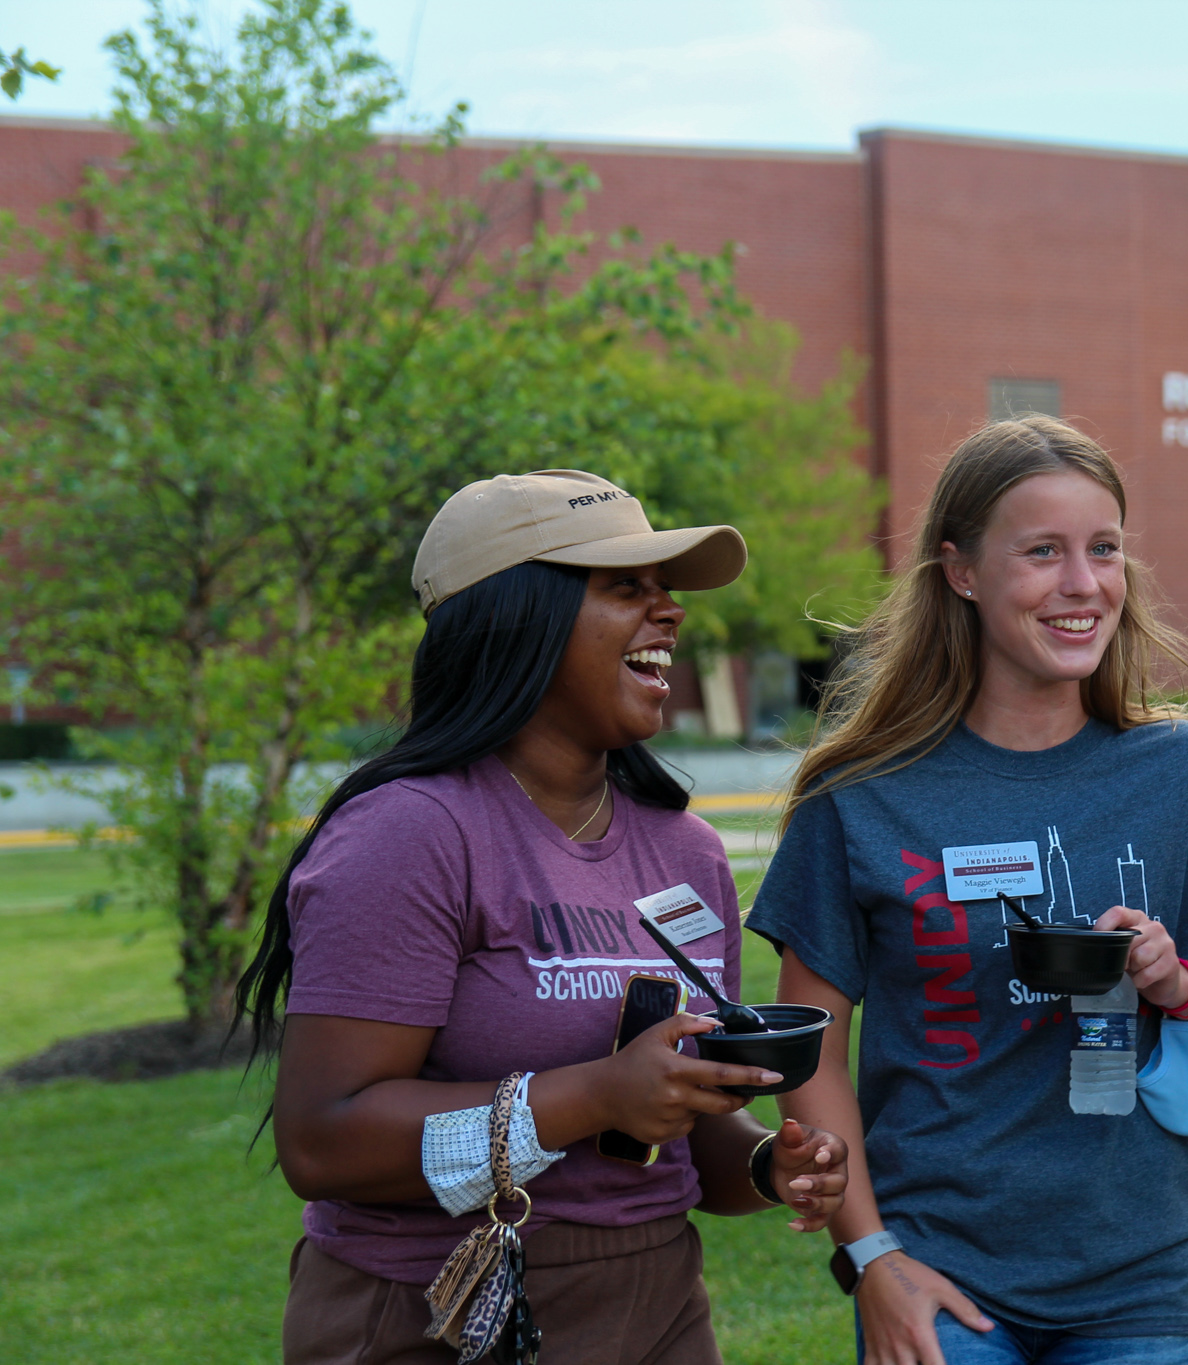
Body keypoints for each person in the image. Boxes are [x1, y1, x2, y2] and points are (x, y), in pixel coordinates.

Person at [237, 470, 850, 1365]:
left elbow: (673, 1121)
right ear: (516, 617)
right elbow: (325, 1140)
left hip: (660, 1307)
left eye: (666, 589)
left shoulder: (685, 851)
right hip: (441, 1314)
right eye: (627, 587)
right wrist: (591, 1094)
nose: (671, 612)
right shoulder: (413, 833)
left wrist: (767, 1162)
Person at [745, 416, 1188, 1365]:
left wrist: (1185, 986)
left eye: (1104, 550)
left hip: (1143, 1283)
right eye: (1042, 552)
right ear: (961, 570)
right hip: (943, 1278)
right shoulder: (861, 794)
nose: (1083, 584)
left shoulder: (1185, 770)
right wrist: (872, 1256)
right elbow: (809, 1058)